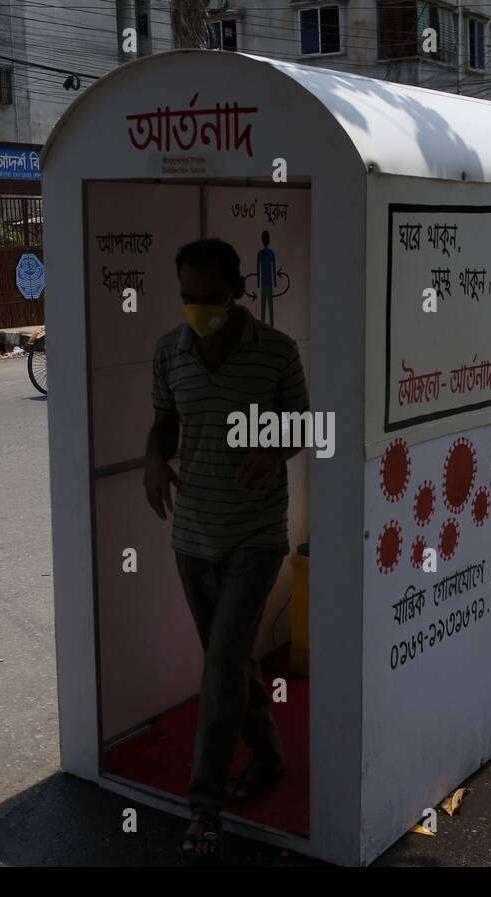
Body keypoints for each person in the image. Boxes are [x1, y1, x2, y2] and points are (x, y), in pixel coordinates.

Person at [143, 238, 309, 859]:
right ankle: (267, 759)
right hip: (191, 538)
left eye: (209, 298)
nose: (198, 311)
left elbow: (305, 422)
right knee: (232, 663)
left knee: (218, 668)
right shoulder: (169, 353)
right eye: (187, 298)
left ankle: (203, 807)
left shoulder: (275, 352)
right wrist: (153, 457)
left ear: (238, 290)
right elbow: (165, 419)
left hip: (256, 538)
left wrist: (271, 450)